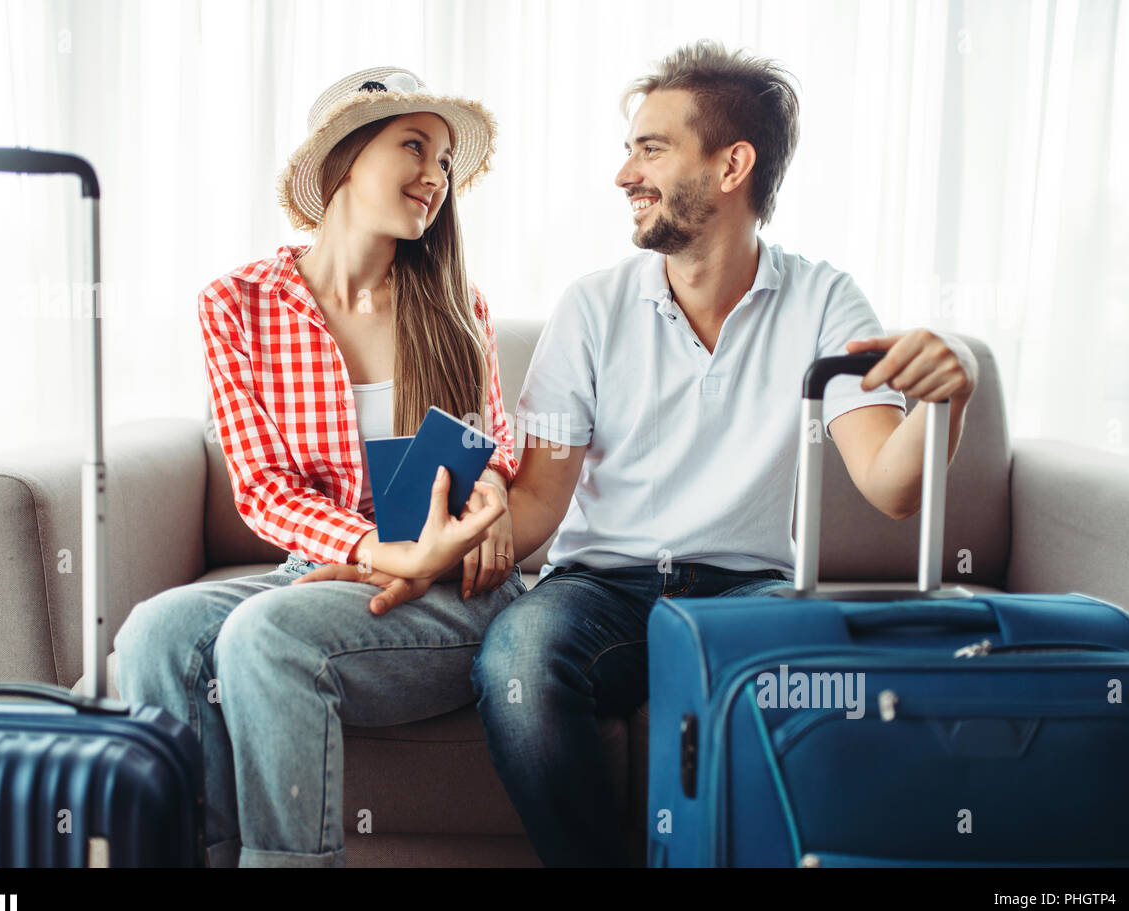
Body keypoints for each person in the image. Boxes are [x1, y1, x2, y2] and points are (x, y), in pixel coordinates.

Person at [327, 40, 981, 867]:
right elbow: (538, 501)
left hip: (746, 589)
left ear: (731, 164)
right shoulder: (595, 307)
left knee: (825, 695)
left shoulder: (823, 299)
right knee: (518, 662)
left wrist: (948, 394)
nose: (624, 173)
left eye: (651, 148)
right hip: (600, 589)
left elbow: (892, 486)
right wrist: (421, 556)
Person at [113, 66, 522, 868]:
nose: (435, 176)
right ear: (342, 161)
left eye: (444, 159)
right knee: (153, 633)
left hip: (447, 589)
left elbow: (495, 447)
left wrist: (485, 496)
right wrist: (372, 552)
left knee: (267, 636)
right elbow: (262, 486)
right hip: (324, 572)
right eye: (415, 146)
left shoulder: (454, 304)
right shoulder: (237, 303)